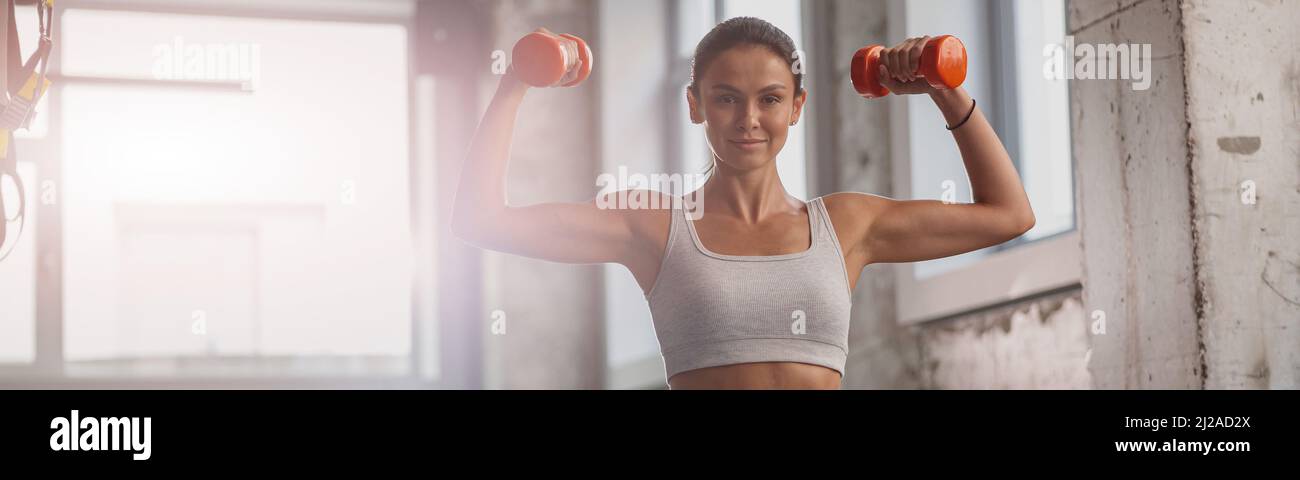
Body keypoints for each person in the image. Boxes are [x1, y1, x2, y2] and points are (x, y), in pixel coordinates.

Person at [451, 17, 1034, 389]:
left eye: (770, 99)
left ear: (796, 107)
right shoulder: (654, 225)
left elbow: (1008, 215)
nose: (749, 120)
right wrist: (514, 84)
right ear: (694, 105)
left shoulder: (847, 225)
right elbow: (482, 220)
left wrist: (945, 90)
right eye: (726, 98)